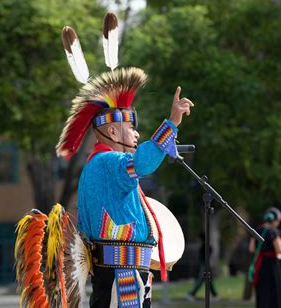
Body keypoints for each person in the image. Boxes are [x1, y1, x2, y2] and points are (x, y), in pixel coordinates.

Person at [56, 18, 194, 306]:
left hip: (120, 269)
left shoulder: (101, 165)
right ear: (111, 131)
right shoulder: (110, 163)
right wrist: (171, 123)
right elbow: (142, 163)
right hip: (123, 272)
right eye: (131, 129)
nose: (136, 134)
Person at [249, 207, 281, 308]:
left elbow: (252, 248)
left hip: (260, 265)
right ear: (275, 220)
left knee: (262, 292)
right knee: (275, 291)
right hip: (272, 266)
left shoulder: (256, 230)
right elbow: (279, 250)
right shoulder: (273, 232)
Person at [186, 232, 219, 301]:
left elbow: (205, 256)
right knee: (208, 281)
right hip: (205, 265)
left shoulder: (205, 246)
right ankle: (215, 295)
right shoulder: (206, 246)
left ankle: (192, 293)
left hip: (205, 265)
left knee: (201, 280)